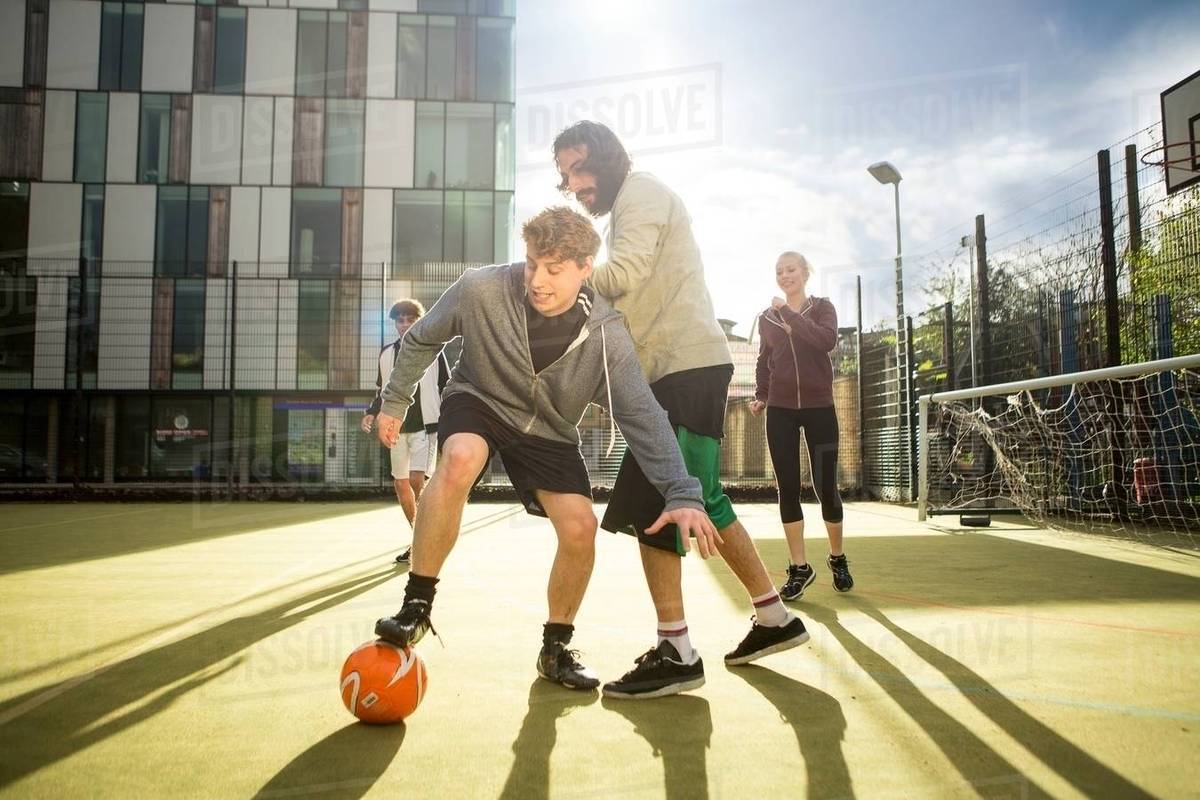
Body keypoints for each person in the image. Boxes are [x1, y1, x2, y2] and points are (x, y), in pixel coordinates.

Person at [371, 207, 721, 692]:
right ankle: (417, 607)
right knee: (459, 459)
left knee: (580, 527)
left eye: (554, 269)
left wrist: (682, 492)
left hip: (549, 431)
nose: (537, 279)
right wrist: (394, 400)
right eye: (532, 263)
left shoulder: (606, 336)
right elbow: (423, 338)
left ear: (585, 268)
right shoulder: (481, 288)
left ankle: (555, 648)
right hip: (481, 399)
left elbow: (642, 415)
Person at [553, 121, 810, 700]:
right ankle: (773, 619)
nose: (574, 184)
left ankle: (678, 649)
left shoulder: (641, 193)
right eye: (566, 175)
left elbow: (625, 275)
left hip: (685, 369)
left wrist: (556, 275)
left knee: (662, 501)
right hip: (670, 372)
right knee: (699, 496)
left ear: (609, 159)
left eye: (581, 167)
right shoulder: (624, 210)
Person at [751, 252, 854, 599]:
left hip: (819, 409)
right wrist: (762, 395)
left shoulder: (823, 308)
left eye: (791, 269)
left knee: (826, 486)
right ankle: (799, 568)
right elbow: (764, 362)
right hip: (780, 411)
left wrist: (790, 314)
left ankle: (837, 557)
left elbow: (825, 341)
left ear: (806, 273)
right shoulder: (766, 318)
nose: (784, 275)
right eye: (779, 270)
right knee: (788, 488)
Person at [362, 300, 450, 564]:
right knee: (401, 485)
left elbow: (446, 385)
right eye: (400, 320)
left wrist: (451, 420)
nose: (404, 324)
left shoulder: (434, 351)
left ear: (419, 321)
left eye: (410, 320)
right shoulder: (387, 353)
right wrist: (371, 412)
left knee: (415, 481)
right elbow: (382, 391)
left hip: (427, 427)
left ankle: (424, 540)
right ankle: (418, 539)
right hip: (396, 429)